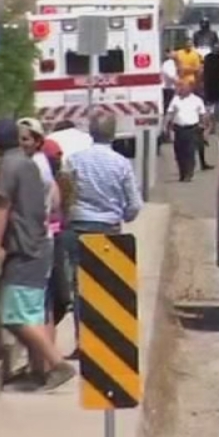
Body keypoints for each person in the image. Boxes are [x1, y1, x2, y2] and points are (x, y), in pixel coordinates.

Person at [0, 118, 75, 391]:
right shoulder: (29, 162)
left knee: (15, 316)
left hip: (25, 249)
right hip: (39, 245)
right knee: (31, 313)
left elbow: (3, 205)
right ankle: (39, 371)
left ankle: (57, 364)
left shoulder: (9, 165)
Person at [64, 112, 145, 346]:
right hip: (108, 228)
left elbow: (65, 193)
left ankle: (83, 341)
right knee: (108, 286)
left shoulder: (74, 160)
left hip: (78, 226)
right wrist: (124, 216)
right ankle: (106, 340)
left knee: (80, 288)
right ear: (113, 134)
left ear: (91, 132)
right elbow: (135, 204)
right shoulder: (121, 163)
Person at [17, 119, 69, 329]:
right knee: (45, 302)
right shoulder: (42, 163)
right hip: (45, 237)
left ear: (38, 141)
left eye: (25, 139)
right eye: (18, 139)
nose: (21, 143)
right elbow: (56, 202)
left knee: (36, 305)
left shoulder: (33, 167)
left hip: (36, 241)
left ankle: (45, 359)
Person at [167, 79, 211, 182]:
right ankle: (182, 173)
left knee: (190, 152)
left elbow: (203, 115)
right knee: (179, 153)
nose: (181, 89)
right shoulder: (175, 100)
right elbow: (169, 113)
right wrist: (166, 126)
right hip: (178, 129)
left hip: (192, 129)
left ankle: (189, 174)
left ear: (189, 89)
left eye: (183, 87)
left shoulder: (197, 100)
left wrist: (206, 128)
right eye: (180, 87)